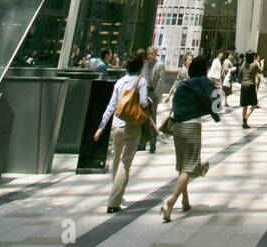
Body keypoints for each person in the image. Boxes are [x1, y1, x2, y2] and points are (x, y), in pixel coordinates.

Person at [160, 56, 219, 221]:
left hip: (178, 127)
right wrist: (217, 91)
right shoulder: (204, 83)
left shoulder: (183, 84)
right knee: (188, 167)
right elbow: (217, 106)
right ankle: (171, 203)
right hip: (192, 126)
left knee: (182, 165)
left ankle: (185, 201)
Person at [94, 51, 150, 213]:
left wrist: (101, 127)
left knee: (116, 159)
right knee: (125, 163)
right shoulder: (140, 82)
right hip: (132, 125)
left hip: (117, 126)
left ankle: (114, 190)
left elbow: (111, 106)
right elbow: (143, 102)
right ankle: (114, 200)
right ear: (140, 67)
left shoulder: (119, 82)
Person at [140, 45, 165, 152]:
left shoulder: (160, 65)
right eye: (149, 54)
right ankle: (142, 144)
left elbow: (161, 81)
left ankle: (153, 144)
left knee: (152, 118)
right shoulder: (145, 65)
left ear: (156, 54)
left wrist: (155, 94)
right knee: (142, 117)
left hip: (152, 94)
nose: (150, 56)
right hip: (144, 92)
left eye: (152, 54)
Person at [240, 50, 262, 128]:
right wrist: (261, 64)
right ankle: (245, 118)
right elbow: (260, 71)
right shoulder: (254, 65)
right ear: (252, 57)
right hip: (251, 86)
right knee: (254, 104)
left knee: (244, 106)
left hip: (243, 86)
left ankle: (244, 123)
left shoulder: (243, 64)